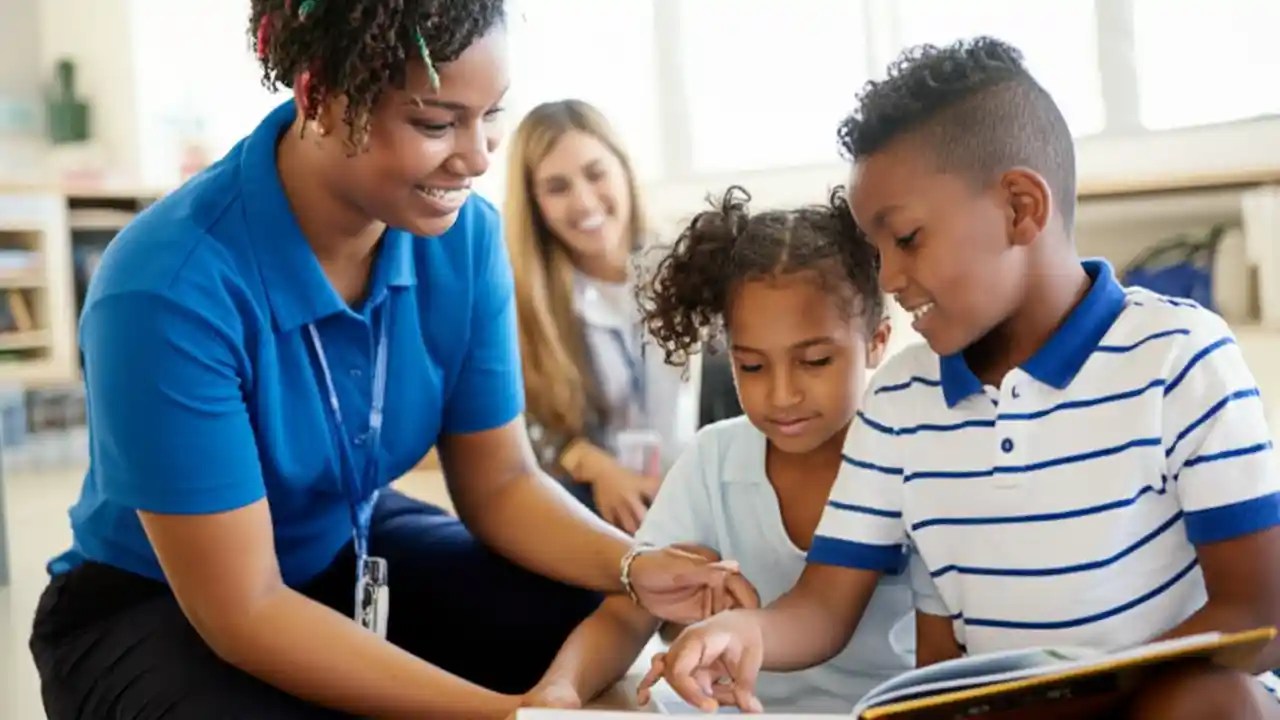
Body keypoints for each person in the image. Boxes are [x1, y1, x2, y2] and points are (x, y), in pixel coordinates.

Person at [27, 3, 747, 719]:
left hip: (343, 547)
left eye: (491, 114)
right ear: (317, 96)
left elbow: (499, 482)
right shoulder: (166, 285)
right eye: (436, 123)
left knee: (595, 597)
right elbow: (243, 609)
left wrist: (634, 563)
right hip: (157, 605)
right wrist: (506, 715)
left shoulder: (464, 239)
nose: (478, 157)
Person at [646, 37, 1280, 719]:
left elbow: (1258, 609)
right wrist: (744, 632)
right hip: (1000, 711)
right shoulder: (898, 404)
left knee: (1214, 700)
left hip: (1152, 706)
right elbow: (824, 605)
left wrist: (1074, 702)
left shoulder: (1179, 356)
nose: (888, 278)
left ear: (1019, 208)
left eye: (908, 239)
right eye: (876, 250)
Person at [517, 186, 922, 714]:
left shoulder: (909, 455)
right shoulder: (714, 459)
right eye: (751, 366)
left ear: (876, 341)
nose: (781, 395)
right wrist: (561, 687)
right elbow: (628, 613)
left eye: (815, 361)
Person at [504, 99, 700, 534]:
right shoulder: (527, 305)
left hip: (701, 486)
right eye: (557, 187)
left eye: (596, 174)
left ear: (624, 171)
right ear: (535, 205)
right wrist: (592, 464)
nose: (585, 201)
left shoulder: (694, 272)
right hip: (606, 504)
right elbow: (523, 430)